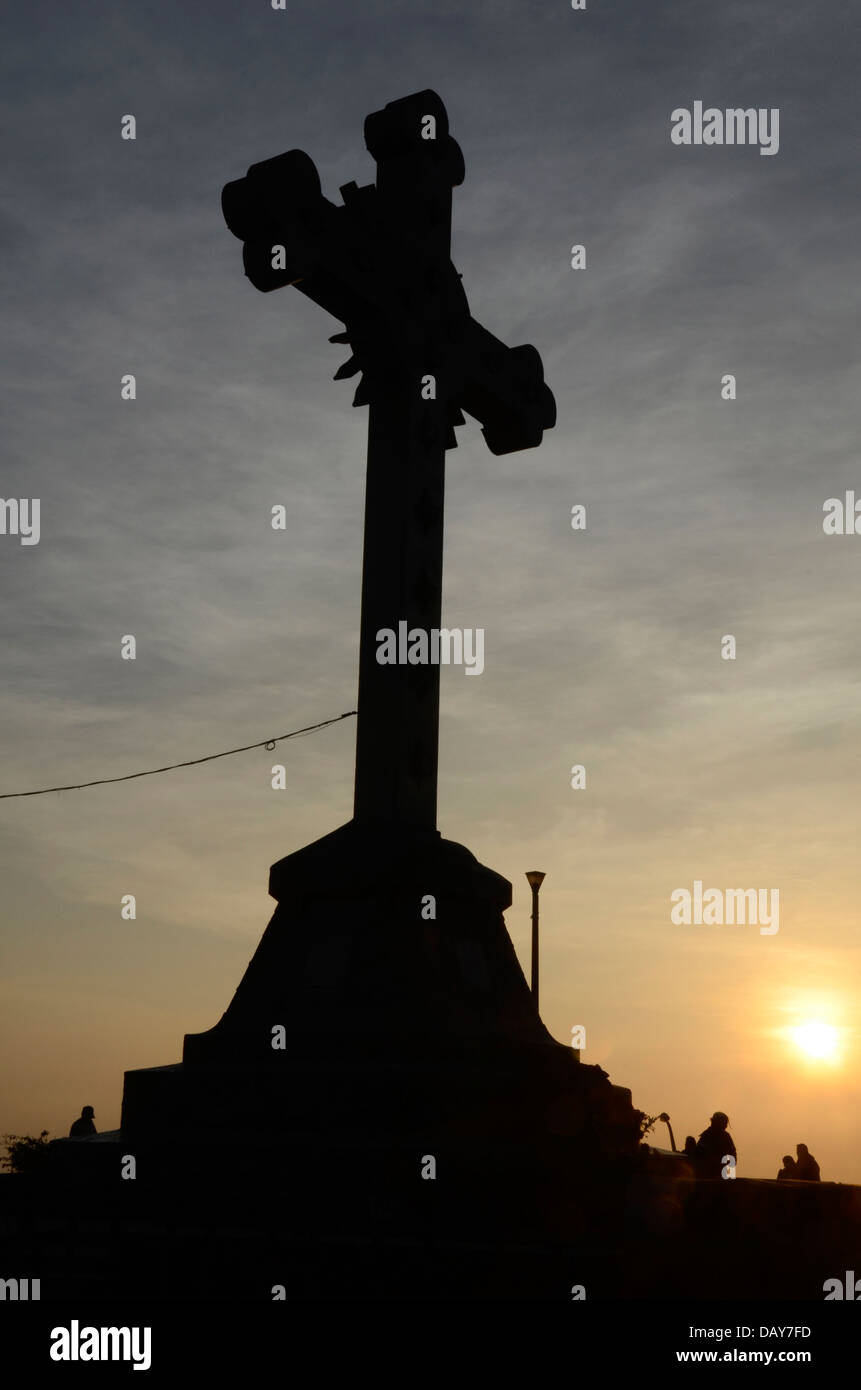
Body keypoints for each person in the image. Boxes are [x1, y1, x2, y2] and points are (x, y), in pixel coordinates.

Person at [694, 1111, 736, 1179]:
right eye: (724, 1123)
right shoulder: (707, 1135)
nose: (726, 1125)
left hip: (720, 1177)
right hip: (708, 1176)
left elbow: (732, 1157)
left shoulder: (725, 1137)